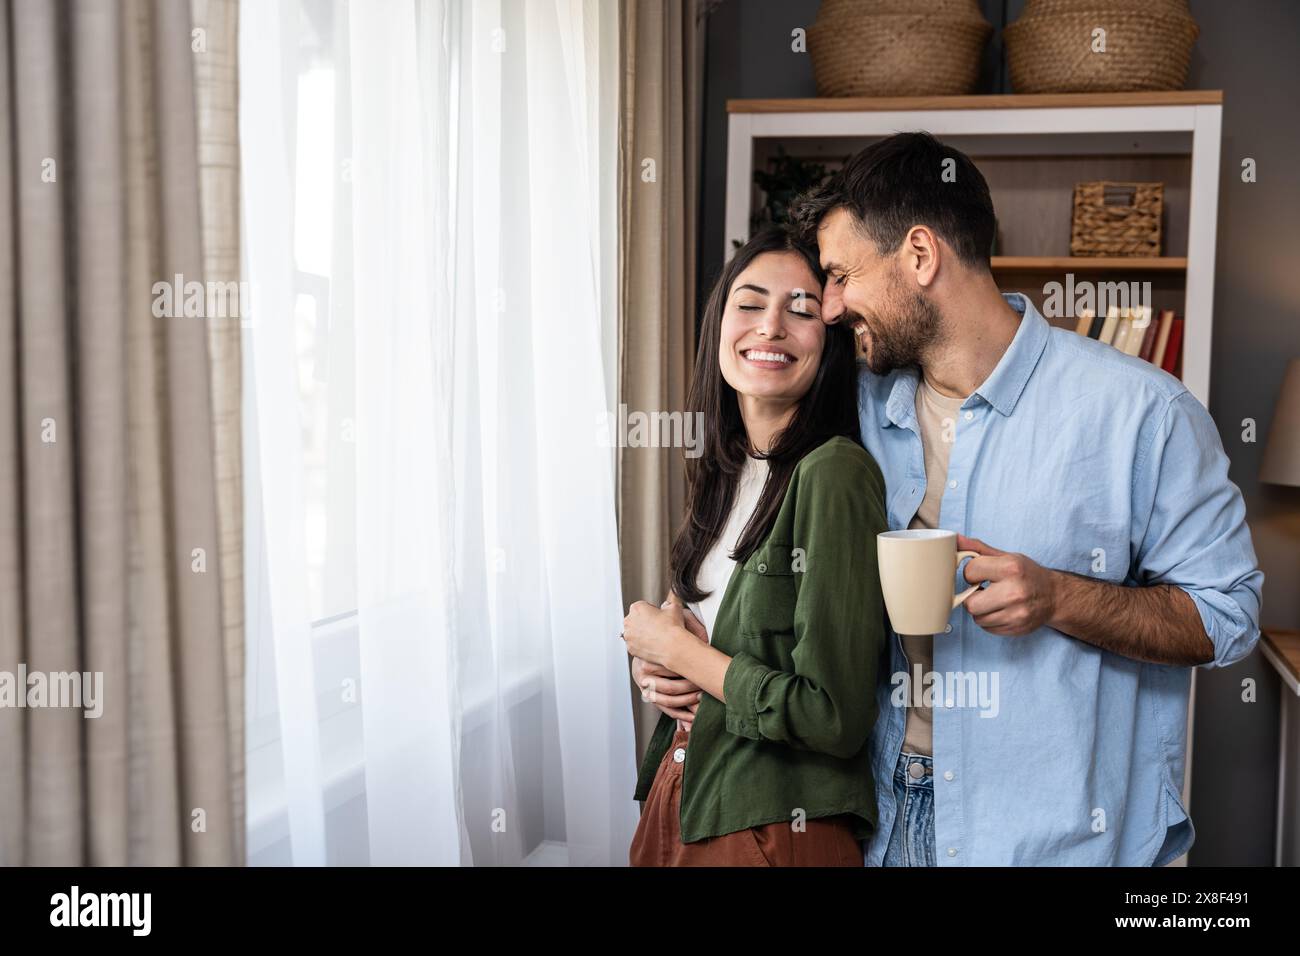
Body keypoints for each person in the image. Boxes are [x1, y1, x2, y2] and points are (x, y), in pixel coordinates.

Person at [782, 131, 1263, 865]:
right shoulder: (856, 400)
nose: (832, 304)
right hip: (884, 813)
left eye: (842, 274)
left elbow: (1229, 616)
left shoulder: (1142, 413)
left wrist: (1058, 598)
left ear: (919, 255)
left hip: (1053, 839)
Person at [621, 225, 889, 866]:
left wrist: (679, 651)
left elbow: (832, 716)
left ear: (830, 343)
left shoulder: (833, 472)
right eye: (750, 302)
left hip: (772, 827)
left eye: (801, 310)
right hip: (685, 794)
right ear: (719, 323)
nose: (770, 328)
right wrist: (655, 668)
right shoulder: (725, 471)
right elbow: (687, 637)